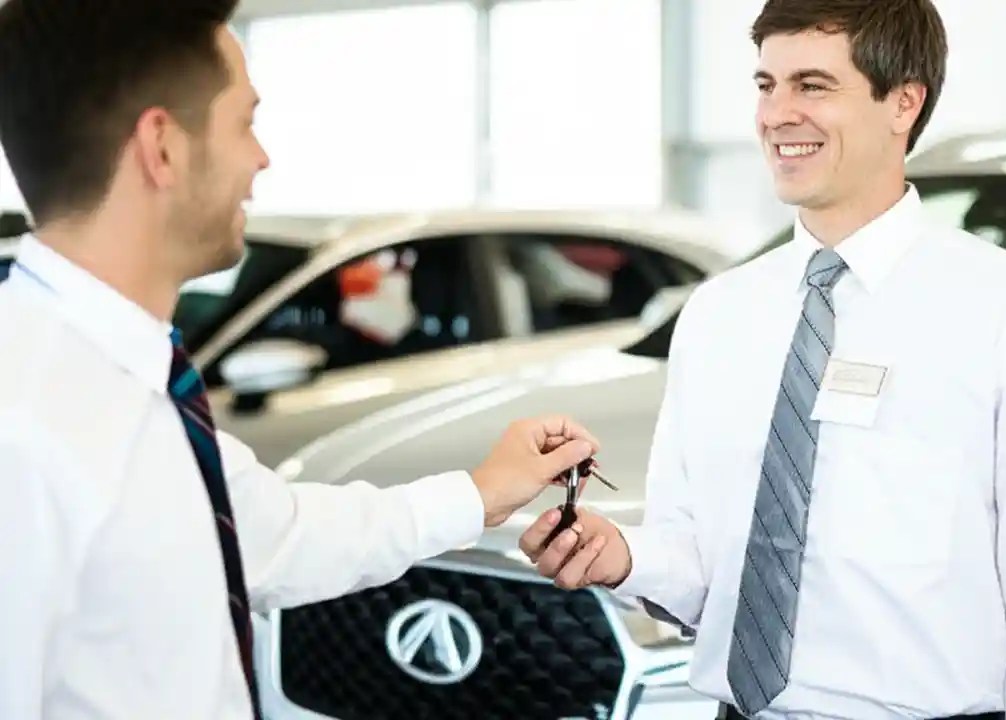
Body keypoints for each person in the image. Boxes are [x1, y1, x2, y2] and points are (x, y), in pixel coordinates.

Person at [0, 2, 599, 718]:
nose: (262, 159)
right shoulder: (22, 425)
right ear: (163, 147)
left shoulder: (130, 382)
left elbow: (283, 534)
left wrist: (482, 492)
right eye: (245, 122)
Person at [520, 1, 1006, 719]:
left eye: (812, 85)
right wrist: (620, 556)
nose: (776, 114)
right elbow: (702, 560)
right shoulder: (717, 314)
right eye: (766, 84)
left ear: (904, 101)